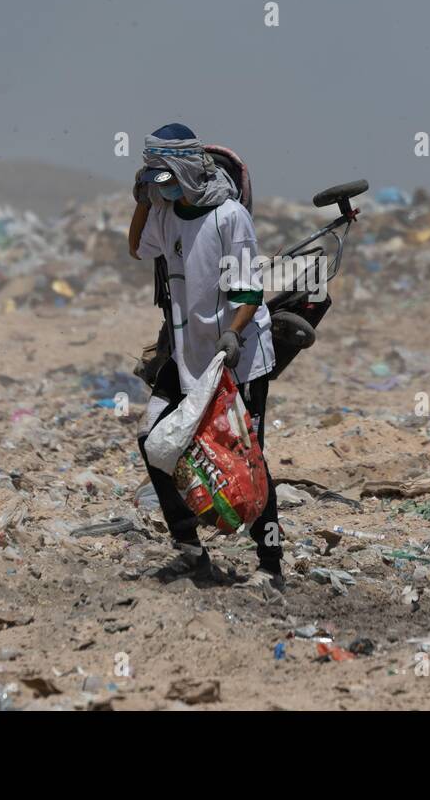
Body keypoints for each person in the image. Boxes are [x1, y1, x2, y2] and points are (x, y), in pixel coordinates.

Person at [129, 123, 283, 590]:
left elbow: (249, 291)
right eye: (153, 177)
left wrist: (232, 338)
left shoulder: (230, 217)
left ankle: (270, 567)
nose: (162, 185)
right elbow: (137, 247)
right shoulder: (166, 212)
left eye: (165, 175)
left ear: (185, 169)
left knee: (246, 457)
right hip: (186, 351)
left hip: (235, 355)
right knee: (152, 440)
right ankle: (191, 550)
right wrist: (141, 199)